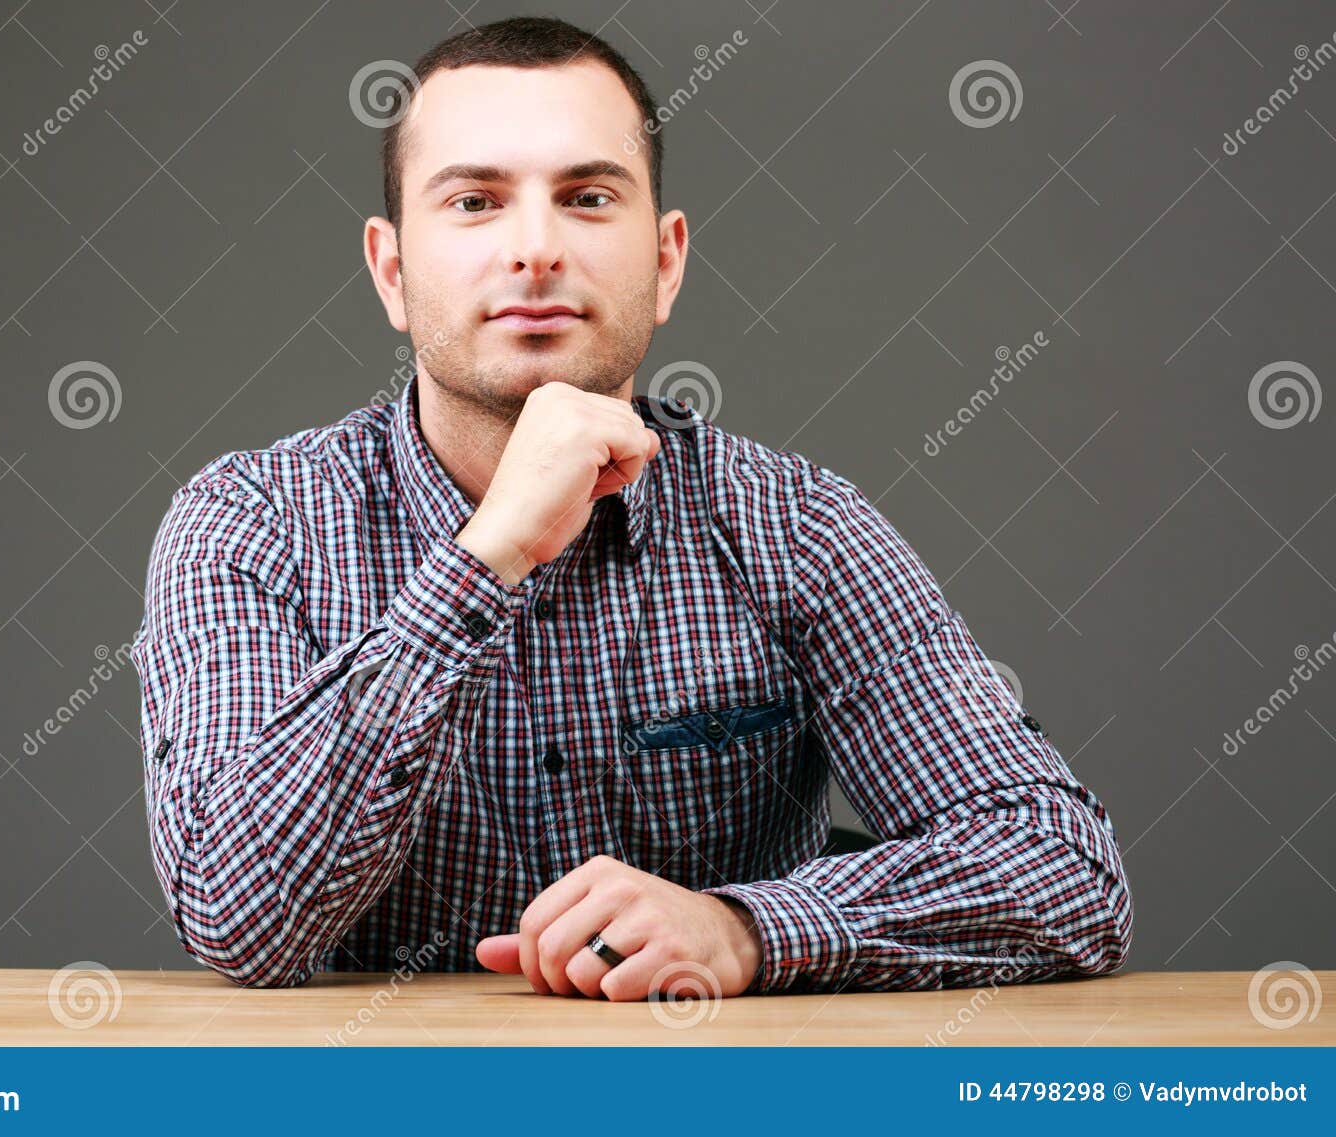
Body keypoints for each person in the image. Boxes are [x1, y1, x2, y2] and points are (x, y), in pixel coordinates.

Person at [131, 15, 1132, 1001]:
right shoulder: (249, 520)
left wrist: (746, 928)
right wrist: (488, 557)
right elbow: (239, 914)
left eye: (587, 197)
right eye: (475, 201)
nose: (534, 249)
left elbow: (1064, 870)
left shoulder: (795, 525)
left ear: (665, 262)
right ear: (392, 271)